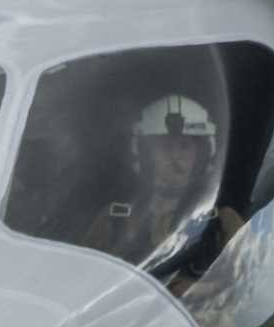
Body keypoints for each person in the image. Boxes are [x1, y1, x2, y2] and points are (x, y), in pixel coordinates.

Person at [84, 94, 240, 290]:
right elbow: (82, 284)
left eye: (185, 146)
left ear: (202, 154)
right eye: (164, 146)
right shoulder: (112, 220)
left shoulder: (222, 222)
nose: (175, 157)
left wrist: (198, 291)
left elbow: (250, 281)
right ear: (145, 155)